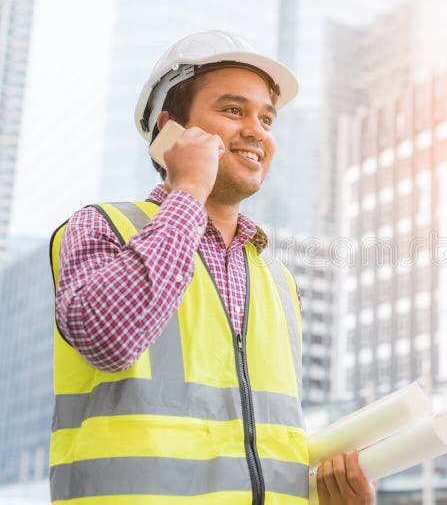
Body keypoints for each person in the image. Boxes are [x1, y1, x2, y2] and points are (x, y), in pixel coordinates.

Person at [49, 30, 374, 505]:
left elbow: (256, 449)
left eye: (267, 118)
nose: (258, 131)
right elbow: (110, 338)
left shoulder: (278, 280)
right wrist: (189, 193)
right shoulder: (103, 228)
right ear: (170, 132)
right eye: (233, 110)